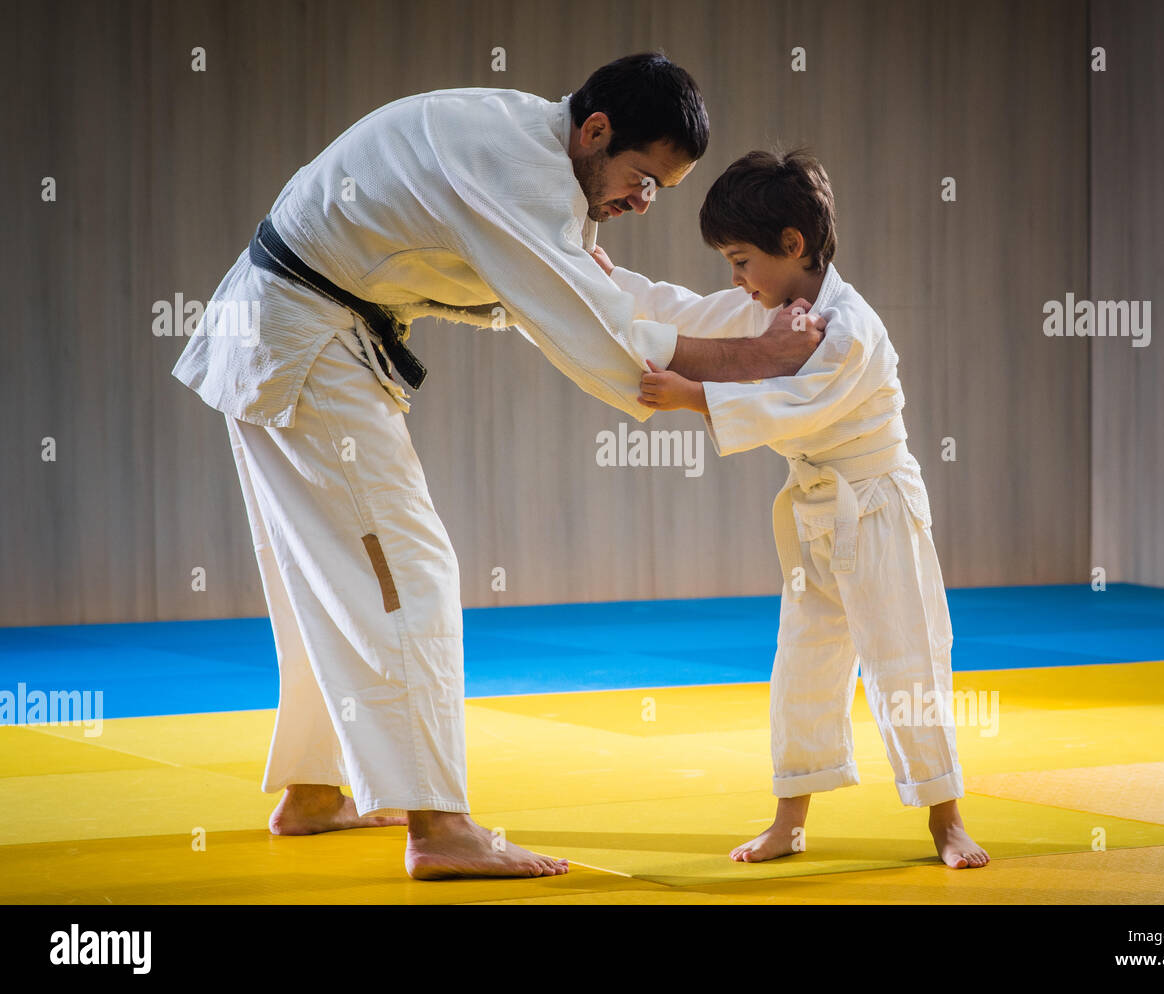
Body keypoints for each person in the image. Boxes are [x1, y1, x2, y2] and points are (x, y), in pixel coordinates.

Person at [171, 55, 826, 881]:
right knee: (407, 569)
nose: (642, 202)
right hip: (302, 338)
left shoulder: (532, 152)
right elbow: (606, 340)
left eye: (659, 190)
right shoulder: (519, 168)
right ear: (595, 131)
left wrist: (739, 337)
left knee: (332, 577)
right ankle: (439, 827)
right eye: (642, 178)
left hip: (283, 325)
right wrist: (760, 359)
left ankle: (314, 790)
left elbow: (596, 301)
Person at [593, 149, 988, 868]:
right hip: (815, 512)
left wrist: (695, 397)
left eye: (741, 261)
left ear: (792, 244)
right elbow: (684, 310)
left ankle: (946, 818)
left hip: (878, 507)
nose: (735, 279)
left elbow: (796, 405)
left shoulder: (851, 326)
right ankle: (790, 820)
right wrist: (611, 281)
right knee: (802, 664)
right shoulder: (766, 308)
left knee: (907, 660)